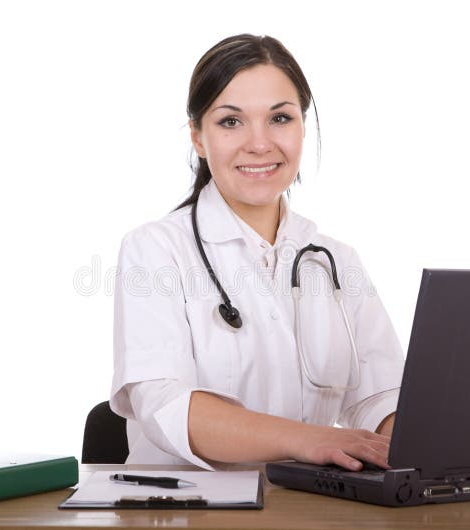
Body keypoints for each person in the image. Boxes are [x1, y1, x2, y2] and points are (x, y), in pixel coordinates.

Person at [110, 34, 404, 471]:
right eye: (231, 122)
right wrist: (311, 441)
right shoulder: (155, 250)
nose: (260, 143)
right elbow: (165, 405)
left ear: (303, 126)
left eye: (280, 118)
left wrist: (416, 441)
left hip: (311, 508)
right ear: (197, 136)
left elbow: (382, 397)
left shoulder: (336, 260)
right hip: (190, 511)